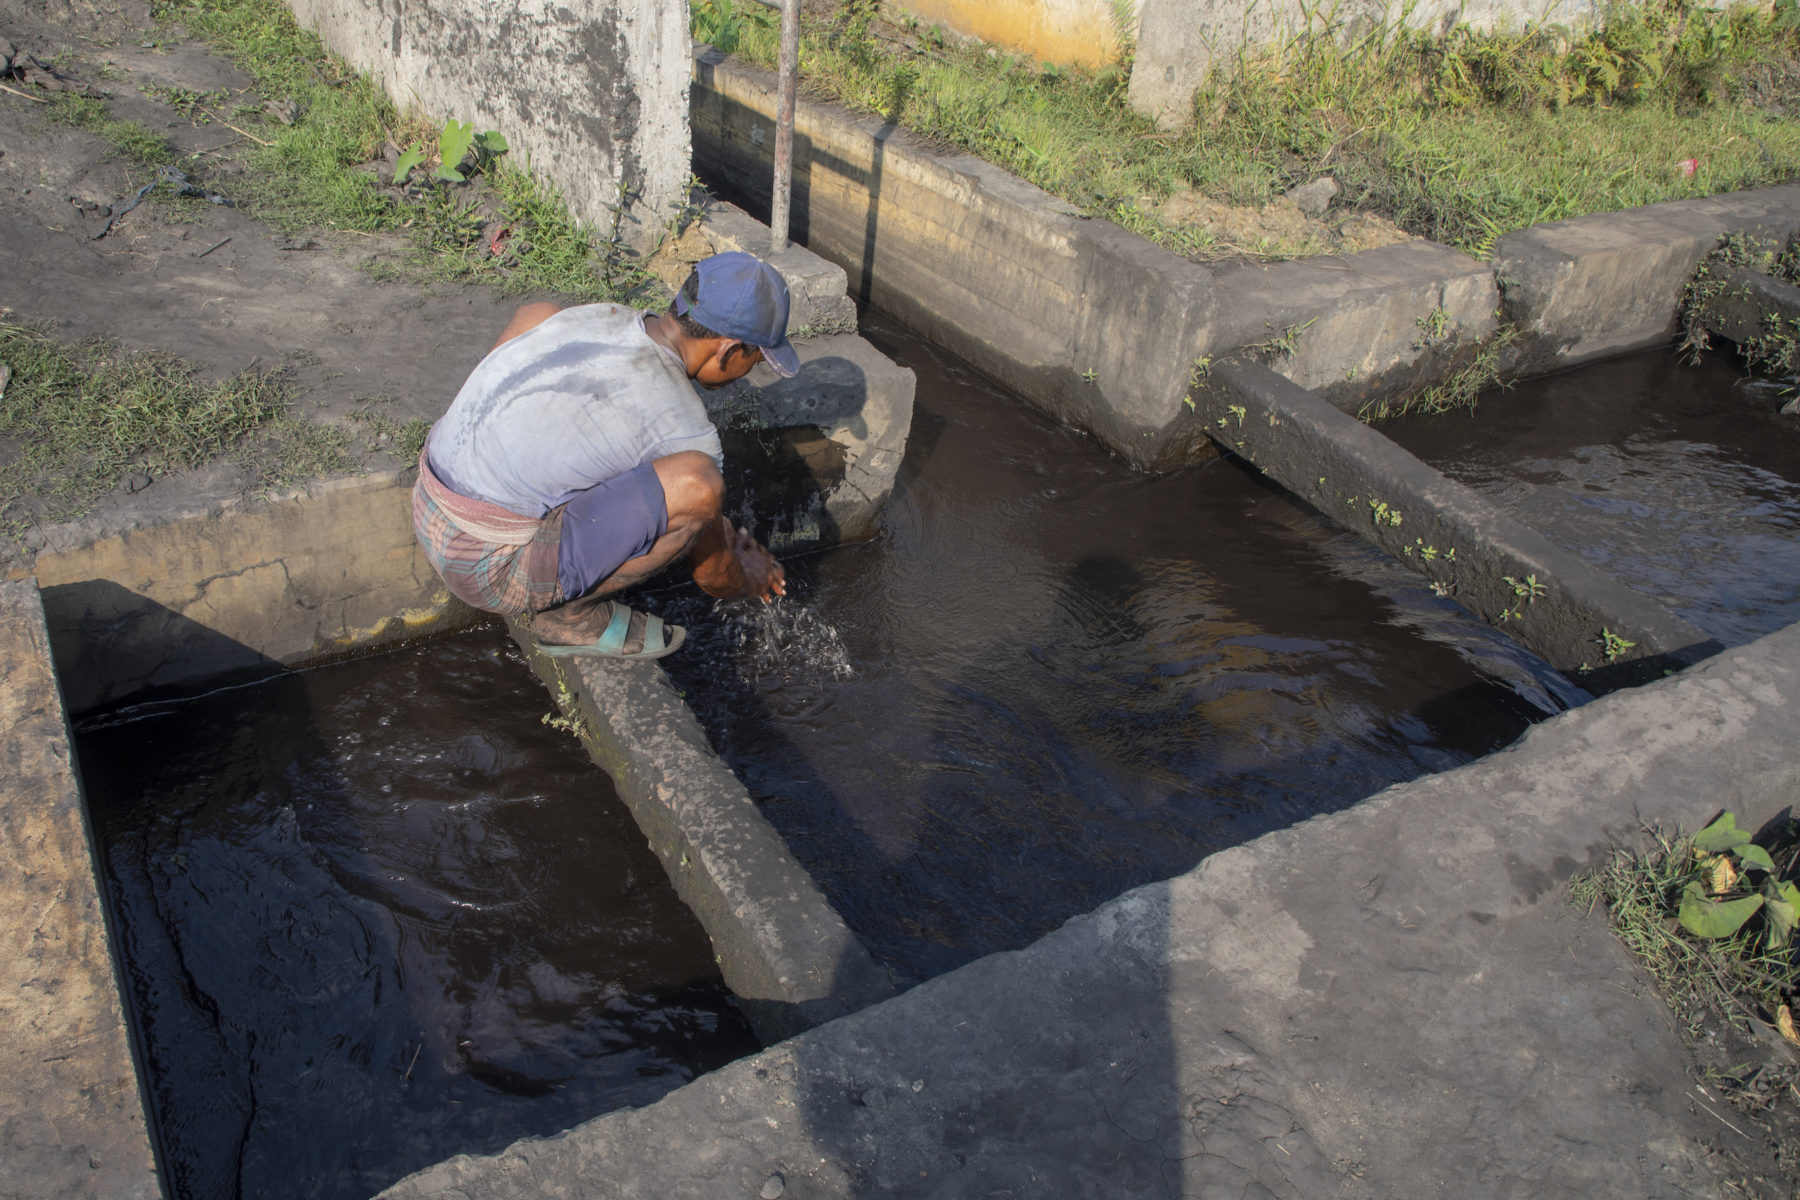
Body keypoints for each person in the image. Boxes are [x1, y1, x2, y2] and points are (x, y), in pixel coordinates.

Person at [412, 251, 793, 659]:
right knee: (700, 486)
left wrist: (715, 527)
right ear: (727, 350)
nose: (748, 373)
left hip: (428, 501)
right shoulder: (687, 431)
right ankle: (569, 618)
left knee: (537, 314)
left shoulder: (601, 317)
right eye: (754, 359)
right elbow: (713, 575)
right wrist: (746, 575)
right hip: (483, 565)